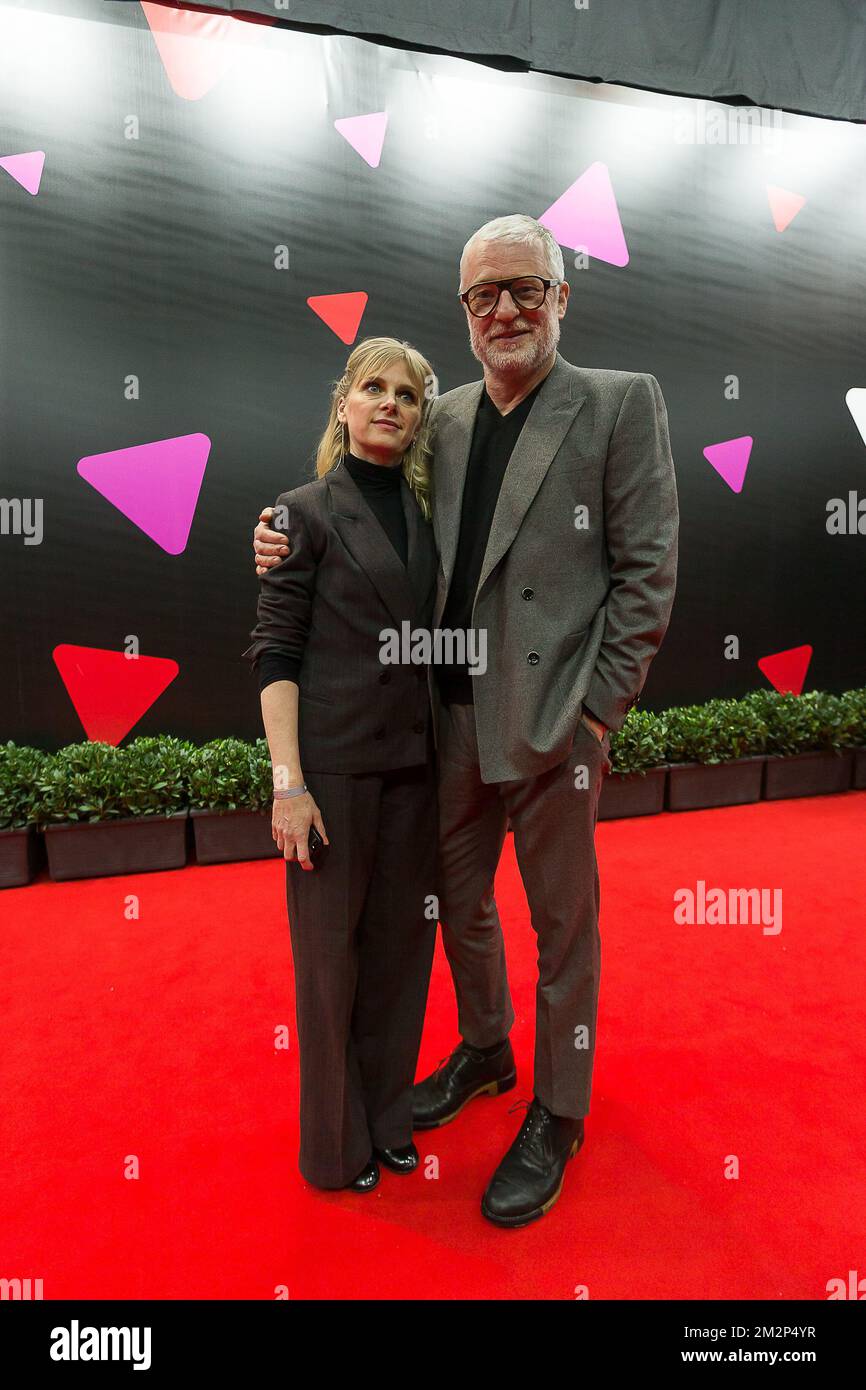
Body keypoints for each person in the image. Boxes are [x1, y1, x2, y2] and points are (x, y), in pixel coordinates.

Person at [254, 214, 679, 1227]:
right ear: (463, 310)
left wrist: (593, 719)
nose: (504, 310)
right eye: (482, 295)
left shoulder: (619, 403)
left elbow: (646, 575)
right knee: (458, 905)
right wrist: (277, 528)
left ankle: (559, 1107)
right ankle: (486, 1048)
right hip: (444, 717)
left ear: (561, 297)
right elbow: (355, 498)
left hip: (550, 728)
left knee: (560, 924)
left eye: (524, 288)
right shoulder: (437, 415)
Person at [243, 336, 440, 1193]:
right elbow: (274, 653)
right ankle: (335, 1144)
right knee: (330, 962)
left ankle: (390, 1120)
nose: (389, 402)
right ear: (344, 404)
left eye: (406, 393)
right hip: (331, 774)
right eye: (374, 388)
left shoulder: (436, 516)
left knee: (402, 954)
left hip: (417, 771)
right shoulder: (299, 512)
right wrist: (289, 785)